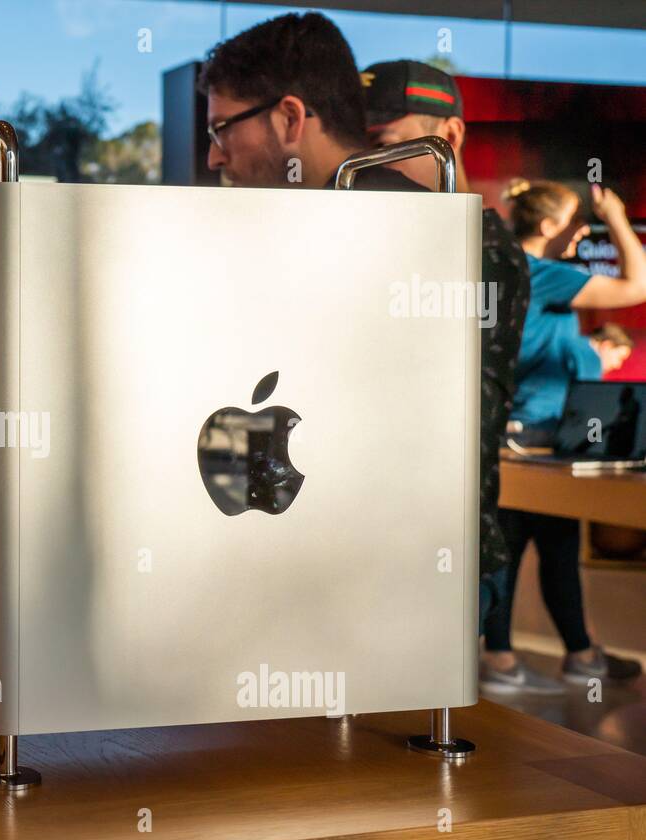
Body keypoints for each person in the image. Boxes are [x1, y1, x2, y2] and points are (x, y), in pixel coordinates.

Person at [361, 60, 543, 693]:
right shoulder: (401, 238)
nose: (368, 169)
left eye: (384, 146)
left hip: (446, 553)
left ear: (452, 137)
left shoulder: (480, 250)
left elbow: (454, 415)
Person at [485, 179, 646, 685]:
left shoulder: (509, 269)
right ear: (548, 226)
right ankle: (521, 659)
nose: (582, 232)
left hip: (524, 431)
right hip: (535, 435)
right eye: (576, 221)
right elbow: (637, 285)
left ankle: (563, 654)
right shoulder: (543, 273)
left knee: (534, 546)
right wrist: (617, 217)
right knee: (533, 547)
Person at [198, 12, 422, 191]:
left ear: (290, 119)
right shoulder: (412, 210)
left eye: (222, 129)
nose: (213, 159)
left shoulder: (361, 227)